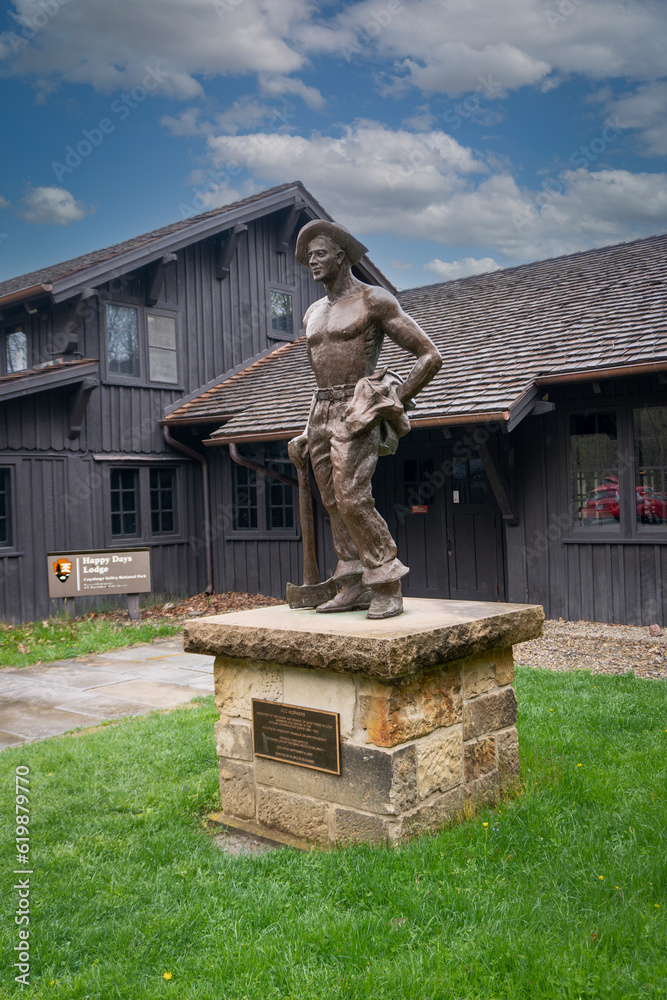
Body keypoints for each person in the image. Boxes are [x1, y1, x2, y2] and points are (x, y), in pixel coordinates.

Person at [289, 220, 442, 619]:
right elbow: (319, 379)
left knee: (352, 498)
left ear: (341, 256)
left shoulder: (374, 300)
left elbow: (429, 355)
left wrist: (390, 402)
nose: (312, 261)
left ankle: (387, 581)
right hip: (320, 412)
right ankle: (353, 581)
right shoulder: (312, 313)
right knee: (332, 502)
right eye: (309, 256)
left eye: (320, 254)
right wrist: (306, 430)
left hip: (355, 410)